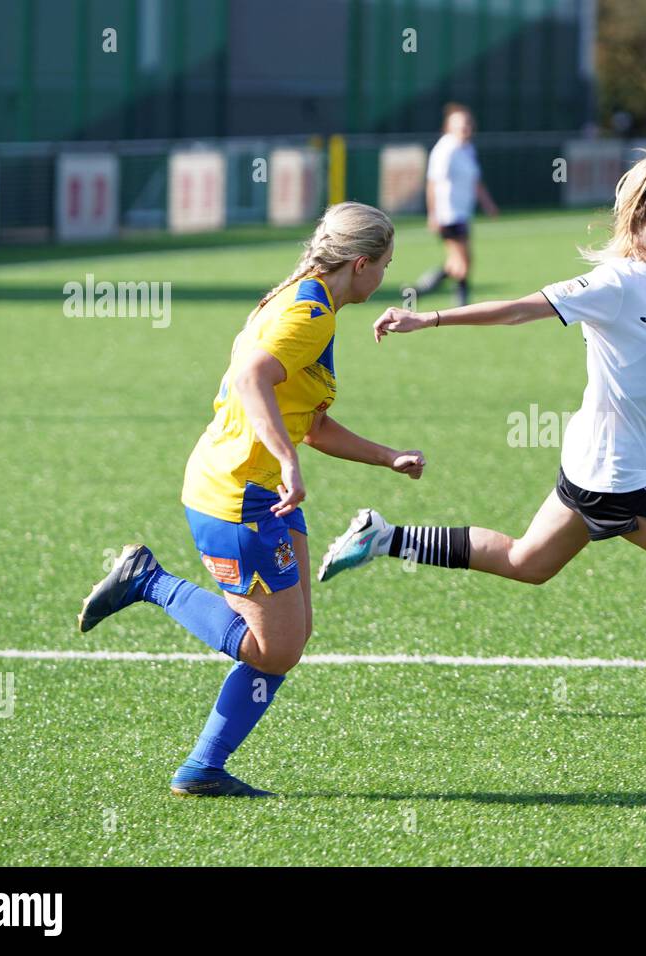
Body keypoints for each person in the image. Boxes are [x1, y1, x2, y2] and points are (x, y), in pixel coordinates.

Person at [318, 154, 646, 716]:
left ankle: (383, 538)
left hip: (594, 466)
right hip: (614, 480)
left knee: (527, 562)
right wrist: (426, 319)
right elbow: (517, 311)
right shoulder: (616, 284)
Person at [76, 203, 426, 797]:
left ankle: (203, 768)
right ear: (361, 264)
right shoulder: (310, 314)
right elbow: (250, 380)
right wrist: (288, 463)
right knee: (274, 647)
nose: (385, 277)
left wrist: (386, 456)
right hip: (237, 493)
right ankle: (147, 580)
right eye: (385, 265)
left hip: (263, 491)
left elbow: (311, 425)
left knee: (292, 636)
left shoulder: (306, 303)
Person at [411, 103, 499, 307]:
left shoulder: (467, 148)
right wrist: (433, 214)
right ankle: (461, 302)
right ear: (449, 127)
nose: (466, 127)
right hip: (448, 214)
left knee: (458, 262)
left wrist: (488, 204)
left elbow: (475, 181)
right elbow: (433, 183)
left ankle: (420, 290)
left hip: (462, 213)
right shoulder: (445, 150)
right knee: (462, 261)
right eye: (461, 124)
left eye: (468, 123)